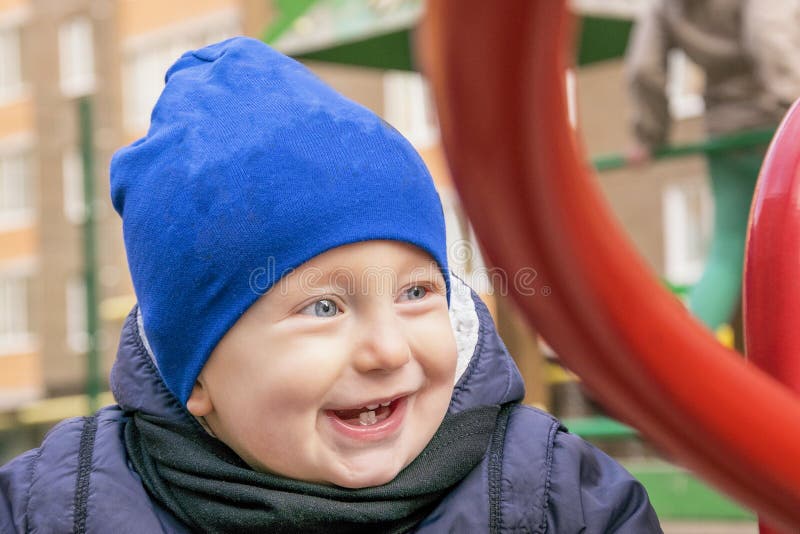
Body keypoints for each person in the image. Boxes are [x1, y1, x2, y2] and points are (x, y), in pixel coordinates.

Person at [0, 37, 662, 533]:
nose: (388, 351)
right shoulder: (59, 509)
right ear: (196, 376)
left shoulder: (556, 497)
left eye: (416, 293)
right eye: (323, 307)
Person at [626, 0, 800, 333]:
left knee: (727, 250)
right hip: (779, 132)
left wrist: (649, 135)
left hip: (725, 136)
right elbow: (769, 35)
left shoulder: (666, 8)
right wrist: (793, 109)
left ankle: (686, 354)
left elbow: (643, 68)